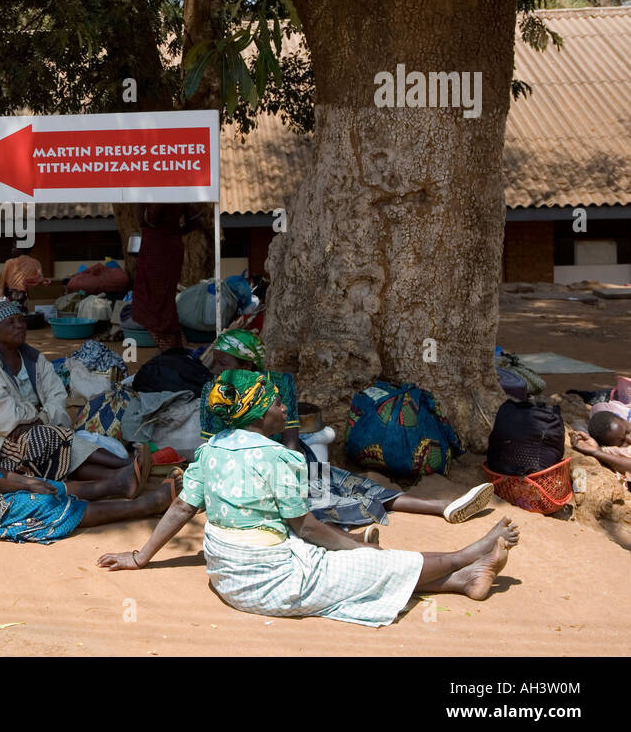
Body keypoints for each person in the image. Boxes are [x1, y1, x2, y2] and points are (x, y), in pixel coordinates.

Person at [97, 369, 521, 627]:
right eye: (279, 403)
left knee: (355, 571)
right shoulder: (279, 458)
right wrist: (354, 547)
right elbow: (306, 527)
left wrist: (140, 557)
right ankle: (469, 554)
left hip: (226, 575)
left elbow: (182, 507)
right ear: (262, 413)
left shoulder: (211, 451)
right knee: (376, 563)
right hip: (266, 583)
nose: (286, 409)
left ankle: (463, 580)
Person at [0, 324, 176, 543]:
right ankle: (145, 505)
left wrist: (23, 479)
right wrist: (25, 483)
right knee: (38, 502)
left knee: (43, 483)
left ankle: (117, 484)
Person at [202, 329, 494, 528]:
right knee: (317, 504)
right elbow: (211, 445)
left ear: (247, 363)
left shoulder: (279, 383)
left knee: (351, 483)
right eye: (215, 363)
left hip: (288, 460)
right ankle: (349, 533)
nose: (216, 370)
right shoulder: (212, 392)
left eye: (223, 363)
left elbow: (291, 442)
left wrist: (292, 474)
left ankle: (443, 506)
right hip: (244, 469)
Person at [0, 301, 146, 487]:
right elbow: (4, 419)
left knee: (53, 441)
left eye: (21, 320)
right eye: (10, 322)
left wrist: (39, 418)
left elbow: (58, 396)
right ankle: (125, 468)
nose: (19, 325)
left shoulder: (34, 359)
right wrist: (37, 414)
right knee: (48, 441)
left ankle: (123, 475)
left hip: (42, 431)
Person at [131, 203, 201, 351]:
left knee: (153, 300)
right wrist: (176, 231)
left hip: (155, 247)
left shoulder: (156, 190)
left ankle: (169, 348)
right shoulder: (183, 188)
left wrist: (140, 205)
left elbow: (150, 218)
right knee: (165, 299)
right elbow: (195, 220)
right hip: (172, 245)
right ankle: (175, 347)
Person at [572, 411, 631, 487]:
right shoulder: (616, 452)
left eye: (628, 431)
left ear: (624, 420)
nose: (630, 439)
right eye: (622, 443)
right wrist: (597, 453)